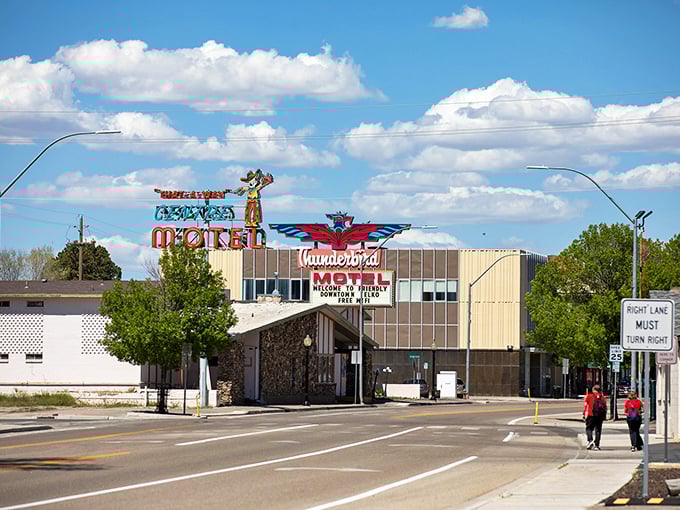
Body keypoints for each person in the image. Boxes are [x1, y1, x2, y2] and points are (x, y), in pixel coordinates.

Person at [583, 384, 607, 450]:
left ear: (594, 389)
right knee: (598, 430)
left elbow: (586, 406)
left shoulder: (589, 396)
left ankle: (590, 440)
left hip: (591, 414)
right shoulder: (603, 397)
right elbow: (605, 407)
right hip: (600, 416)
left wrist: (584, 414)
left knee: (589, 428)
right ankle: (597, 445)